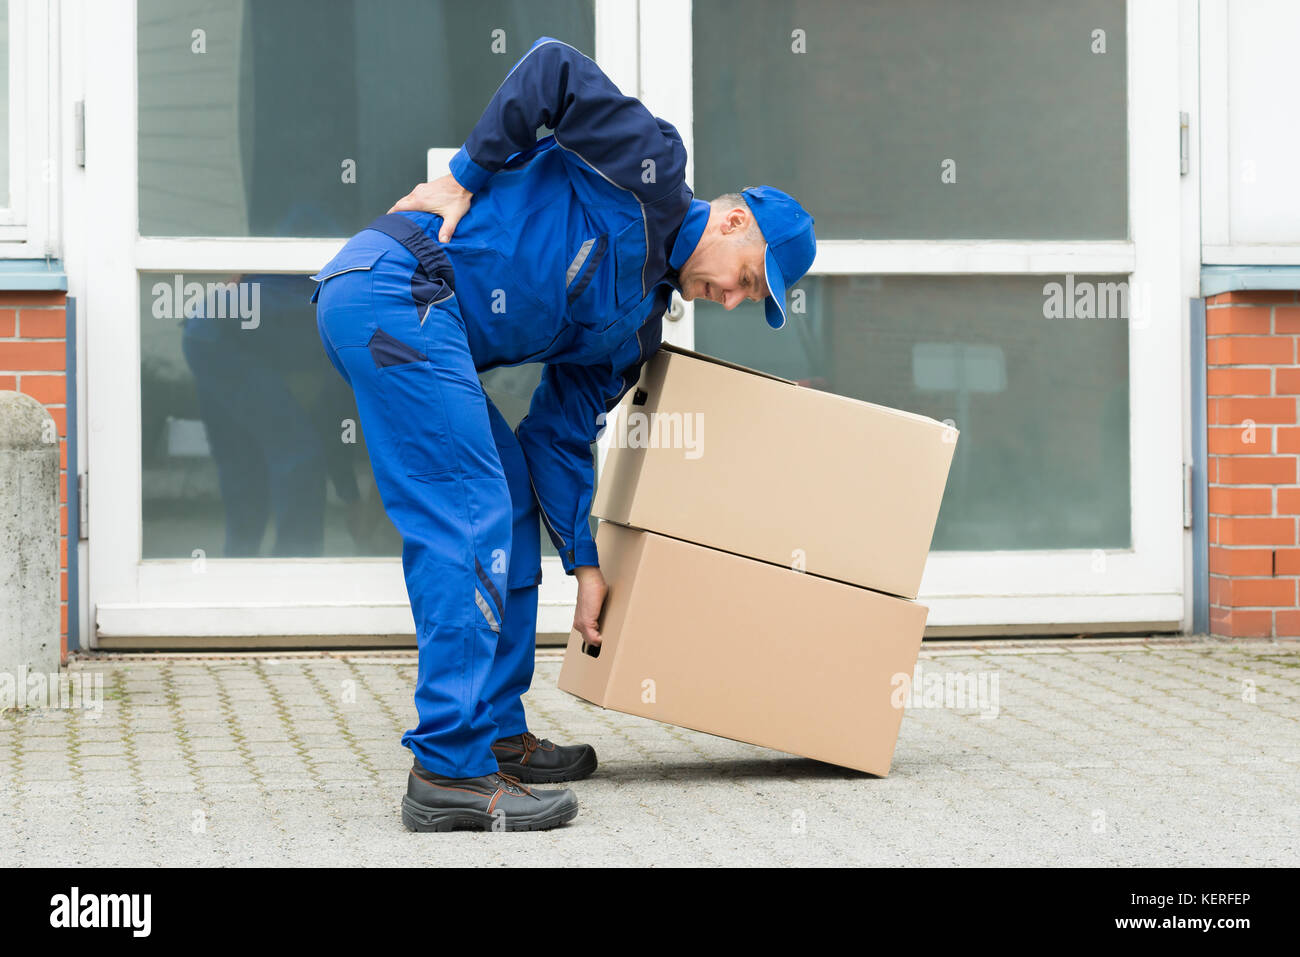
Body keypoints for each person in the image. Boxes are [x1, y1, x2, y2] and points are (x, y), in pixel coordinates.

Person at [311, 36, 816, 832]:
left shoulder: (635, 333)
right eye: (748, 276)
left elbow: (555, 436)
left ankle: (498, 737)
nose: (731, 298)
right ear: (732, 218)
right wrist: (462, 176)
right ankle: (447, 768)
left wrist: (584, 562)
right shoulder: (651, 165)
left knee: (508, 499)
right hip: (393, 288)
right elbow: (549, 68)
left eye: (749, 300)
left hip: (421, 321)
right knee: (469, 511)